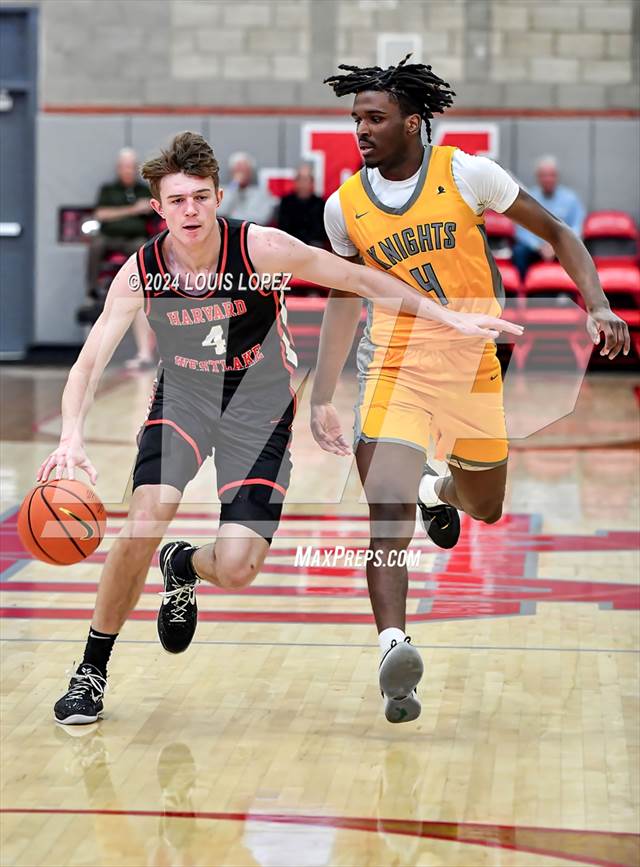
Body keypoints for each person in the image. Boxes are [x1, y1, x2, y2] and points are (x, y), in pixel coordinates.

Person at [41, 132, 520, 726]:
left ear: (219, 198)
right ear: (158, 209)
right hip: (185, 402)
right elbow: (87, 364)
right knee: (144, 518)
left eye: (199, 197)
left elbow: (361, 279)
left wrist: (448, 315)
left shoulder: (260, 248)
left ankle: (183, 565)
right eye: (176, 200)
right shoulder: (141, 273)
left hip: (259, 413)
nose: (189, 211)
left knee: (239, 568)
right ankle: (91, 670)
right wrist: (70, 436)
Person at [311, 56, 630, 725]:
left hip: (472, 369)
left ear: (413, 121)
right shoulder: (344, 207)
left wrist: (597, 303)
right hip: (393, 368)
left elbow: (559, 232)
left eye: (374, 118)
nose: (361, 130)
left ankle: (442, 490)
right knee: (387, 509)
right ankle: (394, 648)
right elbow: (344, 299)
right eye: (356, 119)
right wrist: (321, 392)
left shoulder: (465, 173)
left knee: (483, 506)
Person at [88, 148, 156, 369]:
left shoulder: (144, 190)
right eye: (125, 166)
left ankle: (146, 283)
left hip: (134, 240)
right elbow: (100, 214)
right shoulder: (108, 189)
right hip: (110, 238)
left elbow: (156, 213)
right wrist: (132, 210)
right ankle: (93, 288)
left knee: (141, 249)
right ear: (119, 168)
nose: (128, 171)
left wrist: (146, 208)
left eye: (131, 166)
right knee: (96, 244)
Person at [512, 155, 586, 278]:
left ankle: (573, 292)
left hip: (563, 247)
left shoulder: (570, 198)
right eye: (544, 175)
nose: (548, 179)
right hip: (536, 249)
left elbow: (578, 227)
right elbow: (521, 230)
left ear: (557, 176)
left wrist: (556, 246)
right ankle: (523, 292)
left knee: (579, 252)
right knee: (519, 252)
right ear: (538, 177)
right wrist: (538, 246)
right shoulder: (529, 198)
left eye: (551, 175)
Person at [217, 151, 277, 225]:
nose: (241, 174)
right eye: (238, 170)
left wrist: (235, 219)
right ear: (232, 172)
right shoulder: (224, 191)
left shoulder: (262, 193)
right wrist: (234, 185)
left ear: (250, 172)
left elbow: (263, 218)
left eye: (244, 170)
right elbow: (221, 211)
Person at [276, 162, 328, 247]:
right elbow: (283, 228)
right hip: (290, 245)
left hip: (313, 247)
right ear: (295, 182)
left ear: (312, 182)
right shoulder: (286, 202)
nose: (302, 183)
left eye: (306, 179)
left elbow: (321, 232)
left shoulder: (320, 204)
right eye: (299, 179)